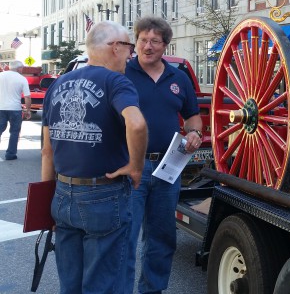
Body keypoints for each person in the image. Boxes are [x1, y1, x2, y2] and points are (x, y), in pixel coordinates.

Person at [40, 21, 148, 293]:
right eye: (129, 47)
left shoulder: (58, 84)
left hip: (63, 193)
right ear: (115, 48)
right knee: (102, 284)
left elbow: (47, 150)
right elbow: (136, 124)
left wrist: (46, 199)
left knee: (70, 283)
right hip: (104, 195)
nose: (131, 55)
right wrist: (135, 167)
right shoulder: (116, 81)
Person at [125, 16, 203, 294]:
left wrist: (194, 133)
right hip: (131, 167)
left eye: (154, 41)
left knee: (162, 237)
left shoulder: (178, 78)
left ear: (165, 46)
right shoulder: (122, 73)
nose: (147, 46)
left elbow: (192, 116)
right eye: (143, 40)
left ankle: (152, 290)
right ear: (136, 42)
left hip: (168, 168)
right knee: (125, 236)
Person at [0, 60, 32, 160]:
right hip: (15, 109)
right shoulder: (22, 79)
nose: (22, 69)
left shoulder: (1, 76)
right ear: (18, 68)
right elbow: (27, 97)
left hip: (1, 108)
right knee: (14, 132)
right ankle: (10, 154)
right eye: (22, 67)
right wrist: (28, 110)